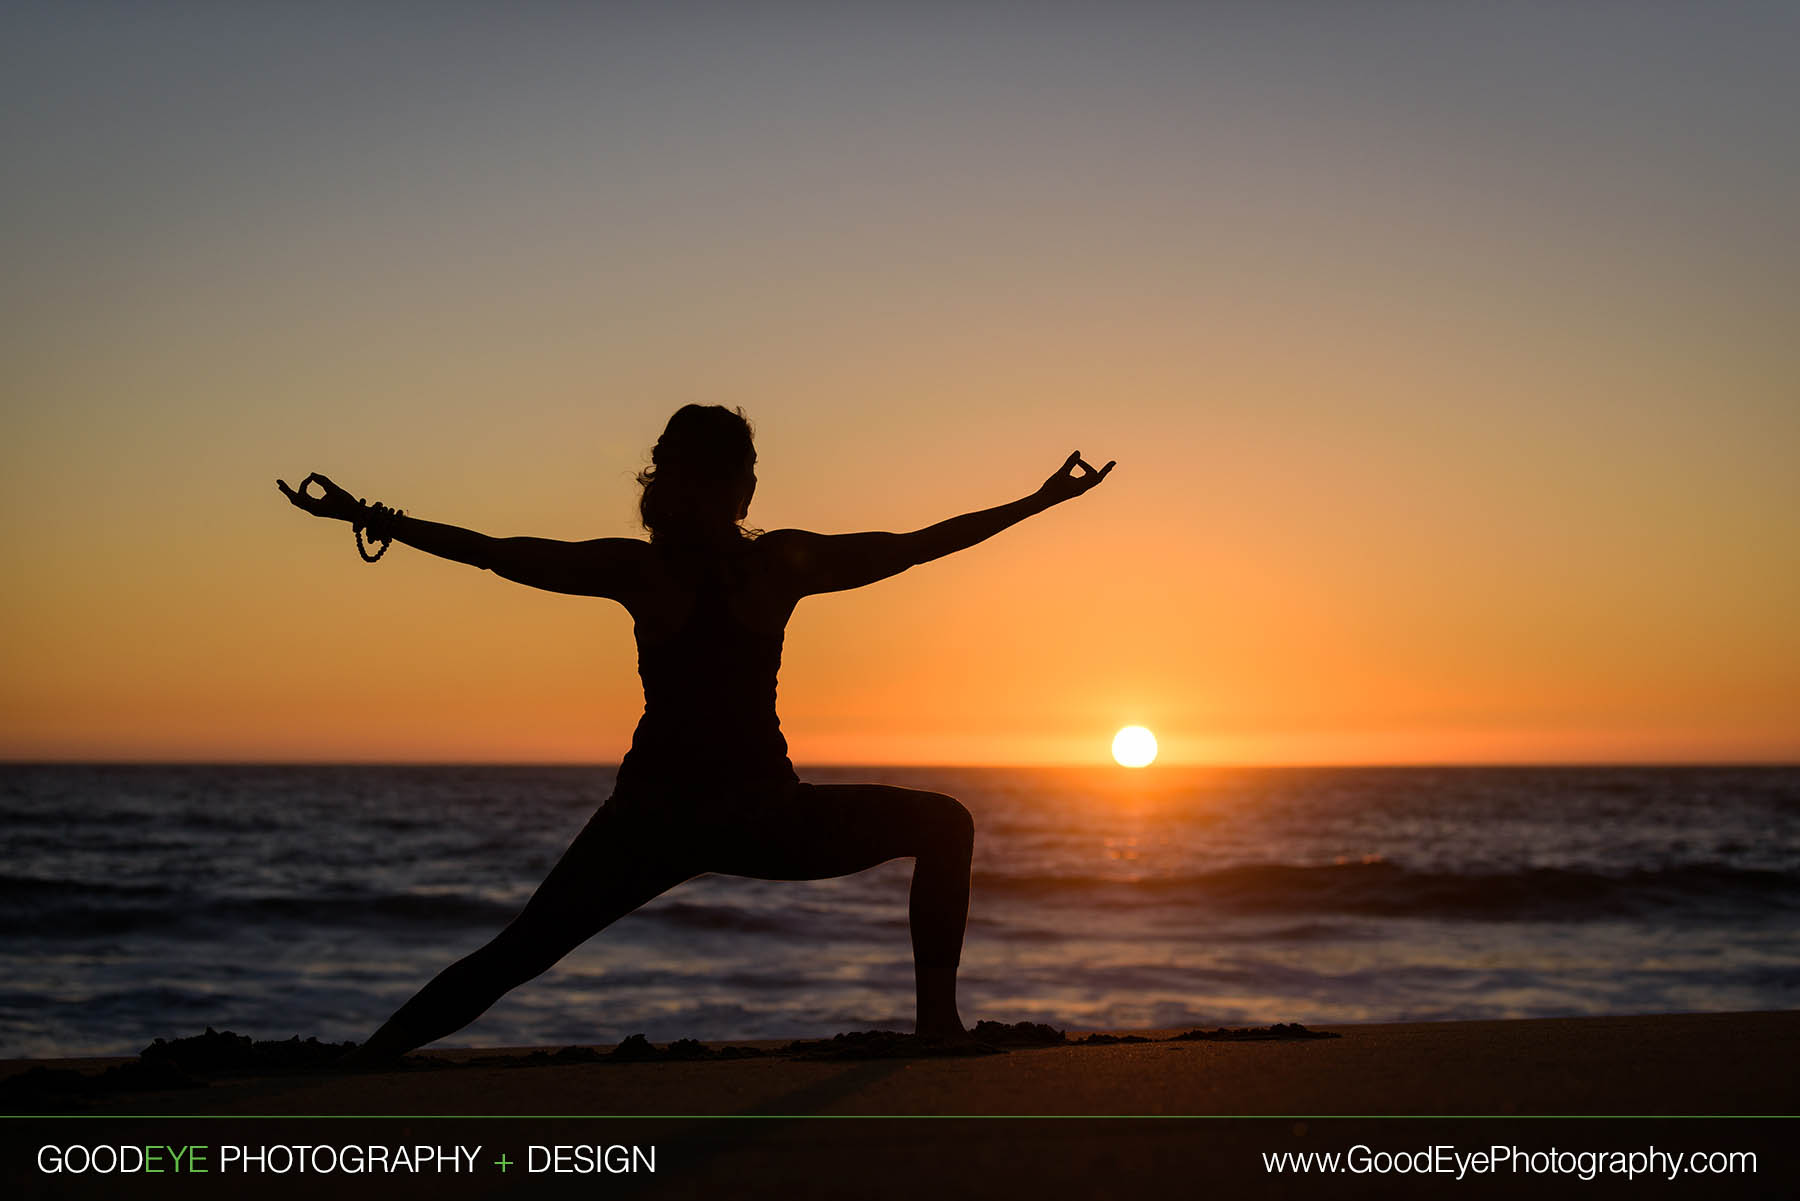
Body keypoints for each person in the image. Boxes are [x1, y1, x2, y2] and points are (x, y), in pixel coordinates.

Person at [277, 405, 1113, 1060]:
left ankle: (364, 1059)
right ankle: (366, 1057)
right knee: (518, 952)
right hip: (712, 816)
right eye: (734, 474)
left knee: (518, 953)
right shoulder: (736, 565)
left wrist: (369, 513)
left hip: (689, 815)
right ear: (721, 485)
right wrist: (369, 513)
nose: (738, 490)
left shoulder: (677, 567)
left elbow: (912, 548)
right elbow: (501, 552)